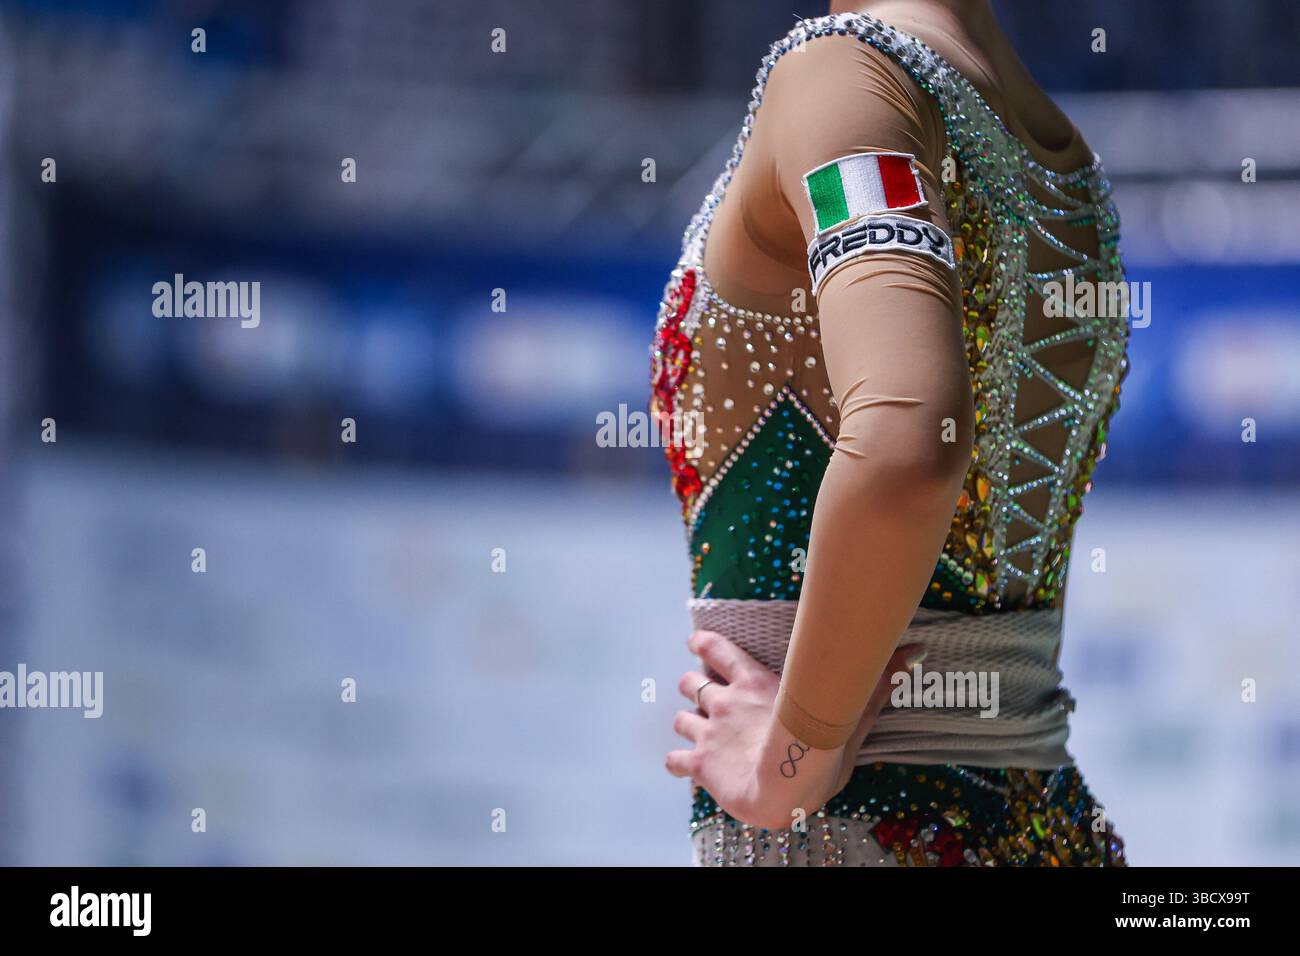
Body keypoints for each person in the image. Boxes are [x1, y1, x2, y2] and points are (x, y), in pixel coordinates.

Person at [650, 0, 1129, 866]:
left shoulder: (844, 81)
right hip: (1051, 829)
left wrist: (797, 756)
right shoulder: (1052, 147)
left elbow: (908, 441)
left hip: (849, 831)